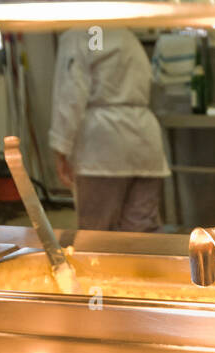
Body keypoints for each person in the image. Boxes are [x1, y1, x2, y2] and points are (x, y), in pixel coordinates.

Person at [50, 27, 170, 232]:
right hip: (144, 143)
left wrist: (61, 147)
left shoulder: (77, 34)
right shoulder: (127, 33)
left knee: (97, 238)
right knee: (141, 237)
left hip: (103, 148)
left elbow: (71, 94)